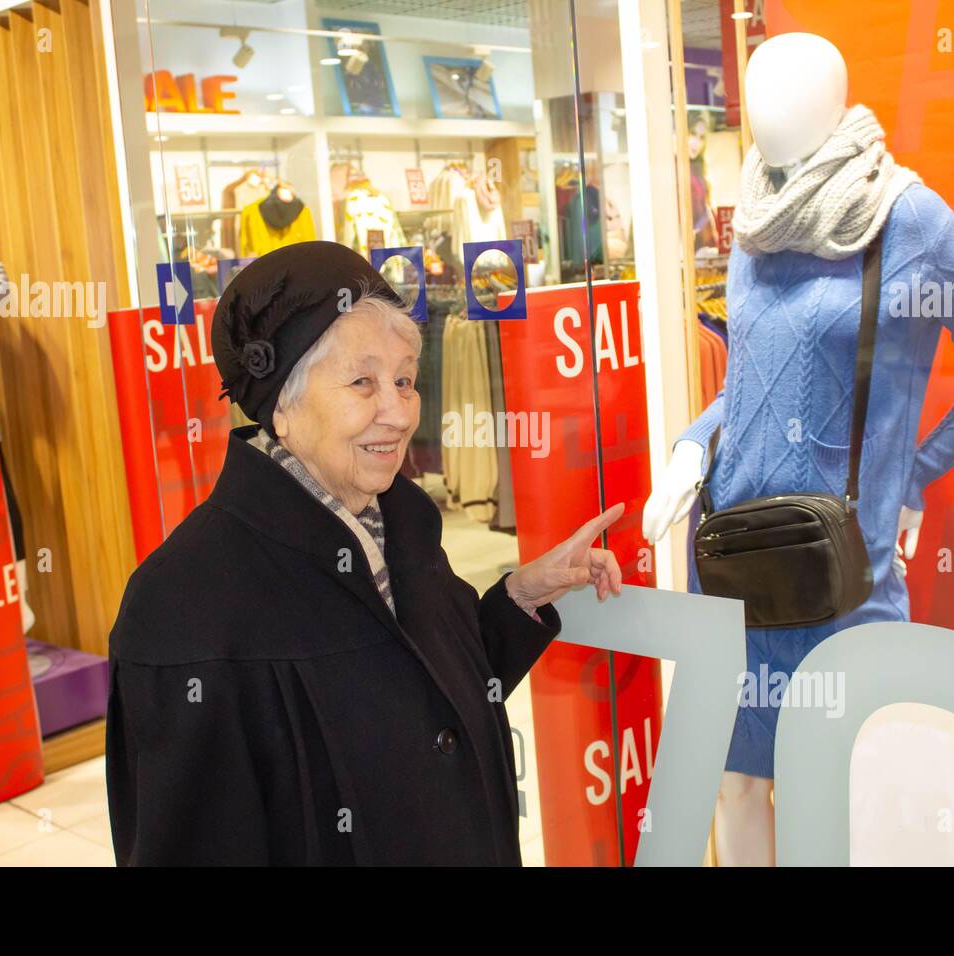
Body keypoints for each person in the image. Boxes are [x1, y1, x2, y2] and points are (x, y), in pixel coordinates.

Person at [105, 241, 623, 865]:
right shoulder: (185, 606)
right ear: (283, 409)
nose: (399, 412)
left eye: (404, 380)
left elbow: (434, 691)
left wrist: (522, 596)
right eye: (362, 382)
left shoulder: (403, 523)